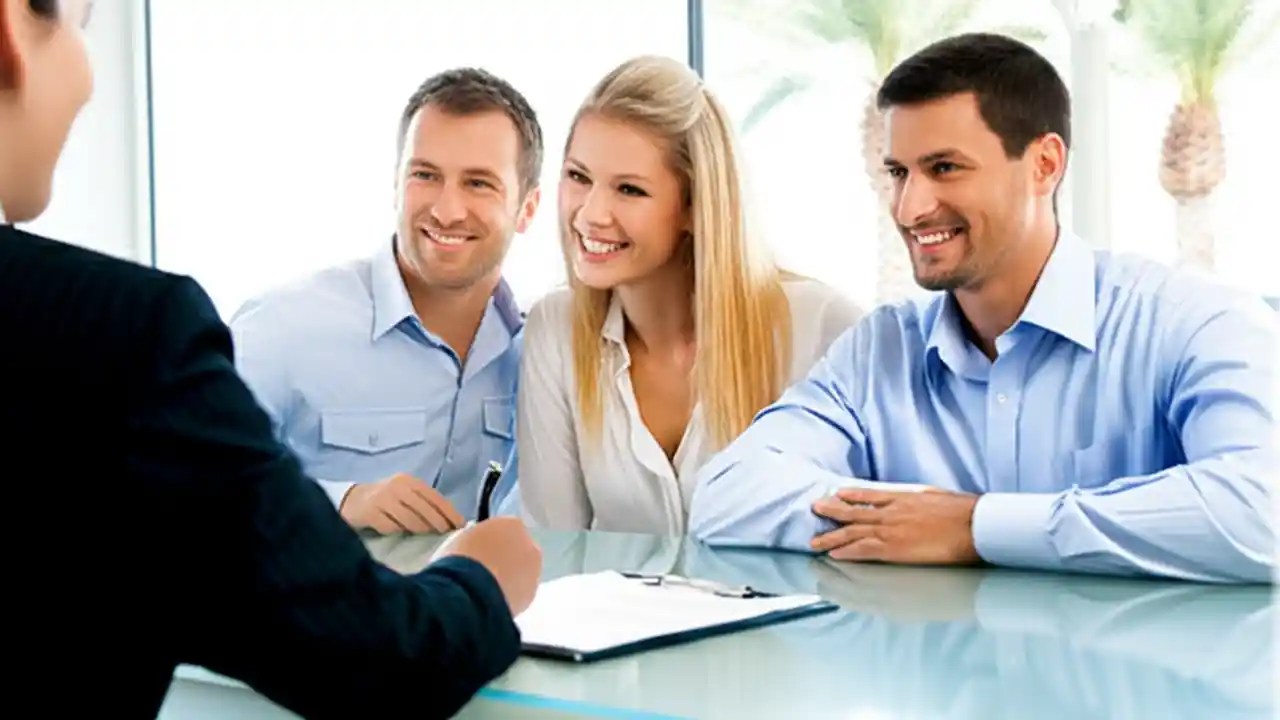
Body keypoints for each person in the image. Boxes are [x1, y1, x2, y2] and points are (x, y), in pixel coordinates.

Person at [0, 1, 542, 716]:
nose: (90, 79)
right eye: (81, 22)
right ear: (12, 28)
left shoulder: (543, 347)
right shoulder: (136, 336)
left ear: (524, 207)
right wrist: (477, 574)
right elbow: (373, 658)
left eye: (479, 182)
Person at [688, 32, 1277, 583]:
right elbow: (729, 496)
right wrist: (902, 528)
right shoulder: (880, 350)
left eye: (945, 168)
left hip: (1143, 693)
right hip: (943, 691)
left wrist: (977, 527)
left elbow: (1261, 513)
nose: (910, 207)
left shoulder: (1195, 323)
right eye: (898, 172)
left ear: (1045, 164)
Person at [517, 55, 862, 533]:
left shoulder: (822, 327)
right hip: (609, 610)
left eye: (630, 190)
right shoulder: (554, 328)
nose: (590, 214)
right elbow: (551, 543)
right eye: (578, 177)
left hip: (789, 609)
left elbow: (867, 531)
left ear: (695, 207)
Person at [230, 67, 540, 534]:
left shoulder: (538, 355)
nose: (446, 209)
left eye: (478, 183)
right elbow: (181, 472)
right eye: (425, 175)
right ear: (396, 183)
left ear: (527, 209)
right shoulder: (283, 327)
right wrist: (340, 500)